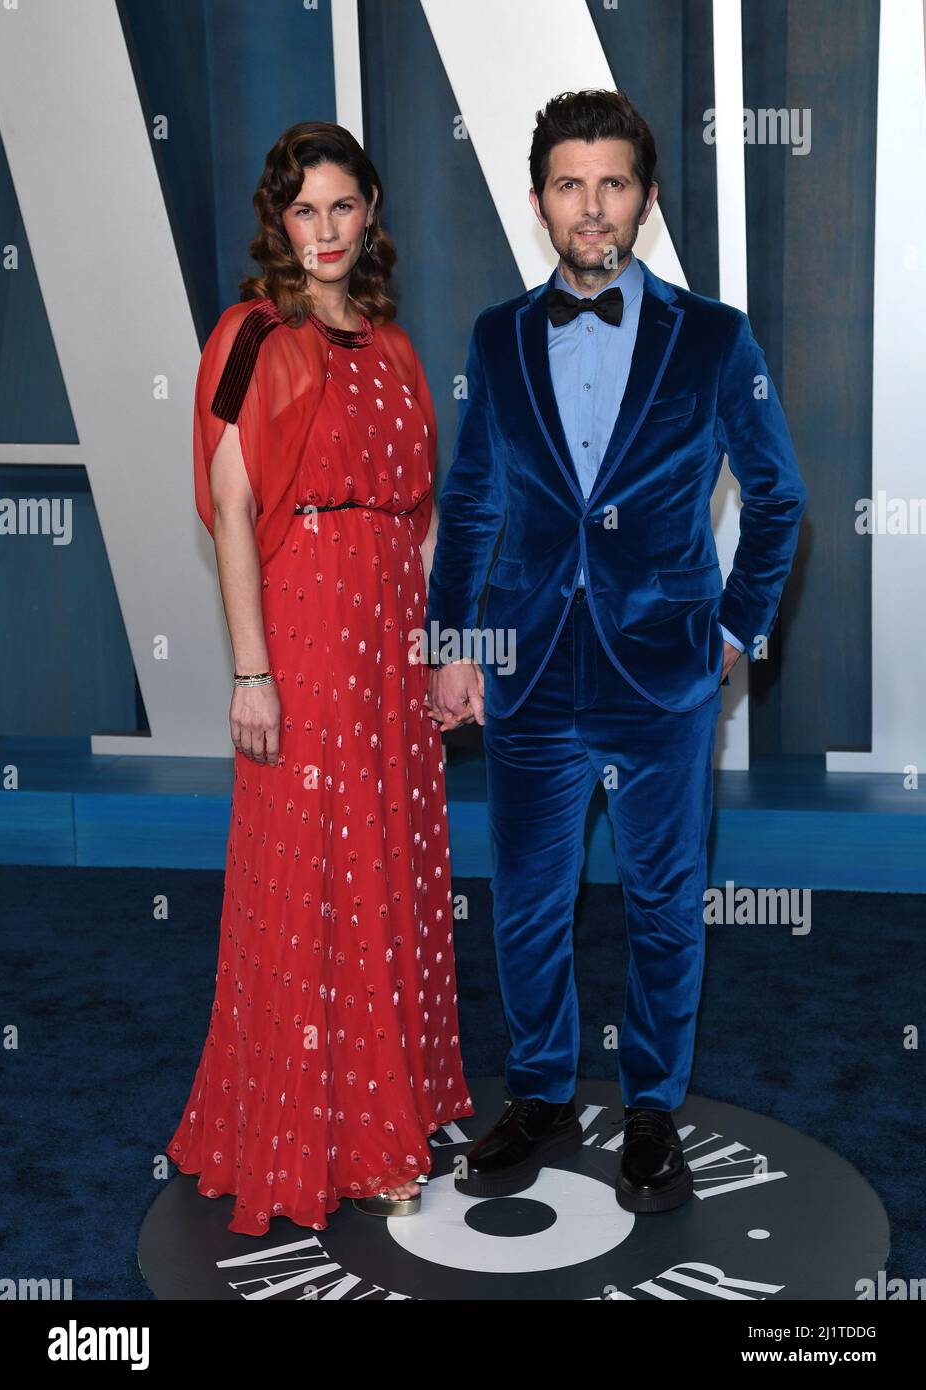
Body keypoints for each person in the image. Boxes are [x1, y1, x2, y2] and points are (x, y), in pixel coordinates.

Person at [424, 89, 806, 1213]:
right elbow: (473, 496)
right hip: (531, 670)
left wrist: (734, 628)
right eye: (567, 184)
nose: (591, 208)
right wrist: (449, 646)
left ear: (642, 198)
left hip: (664, 673)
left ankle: (650, 1107)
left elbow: (779, 497)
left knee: (659, 897)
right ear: (539, 198)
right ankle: (539, 1091)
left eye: (613, 184)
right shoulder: (497, 334)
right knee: (527, 899)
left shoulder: (715, 336)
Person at [167, 120, 474, 1234]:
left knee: (391, 860)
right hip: (302, 626)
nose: (326, 230)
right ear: (277, 220)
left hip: (389, 628)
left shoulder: (389, 346)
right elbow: (235, 511)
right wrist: (252, 670)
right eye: (305, 210)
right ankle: (327, 1135)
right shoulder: (253, 333)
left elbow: (422, 517)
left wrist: (440, 649)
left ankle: (393, 1102)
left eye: (344, 206)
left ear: (372, 211)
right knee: (316, 874)